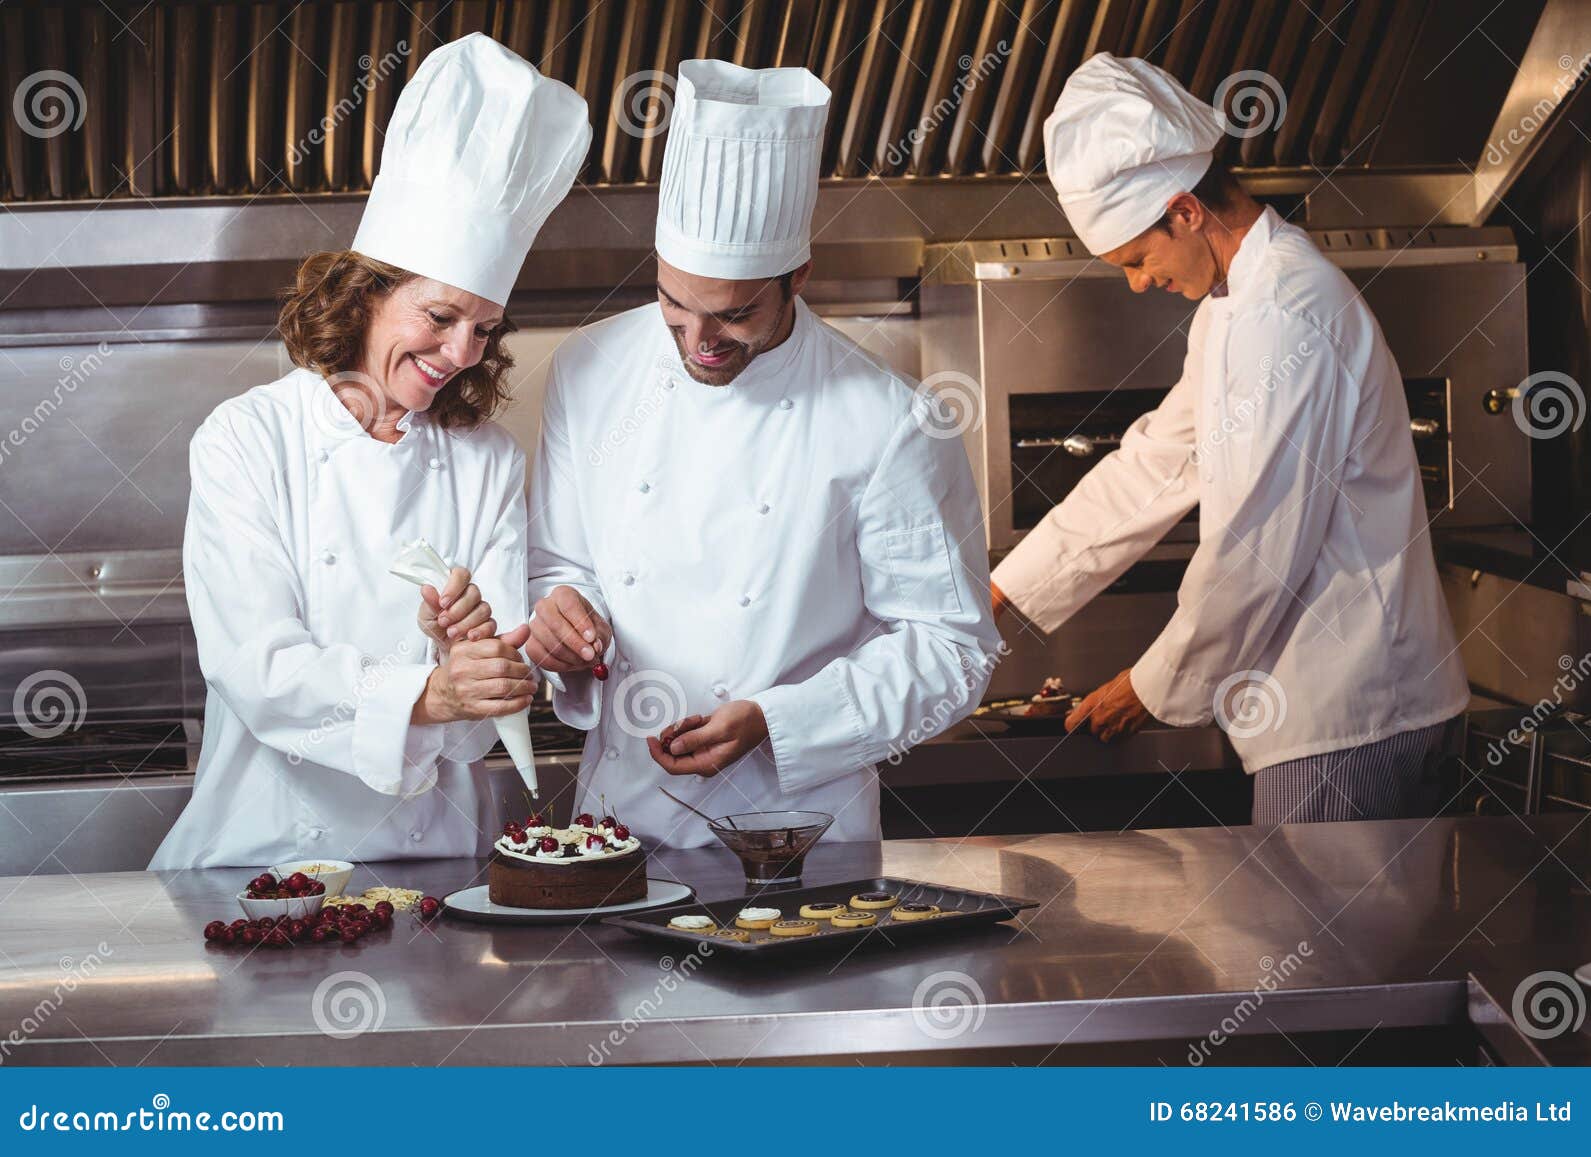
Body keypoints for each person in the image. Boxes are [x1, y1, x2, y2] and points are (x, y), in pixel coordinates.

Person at [525, 60, 999, 846]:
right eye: (673, 306)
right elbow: (560, 566)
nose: (699, 342)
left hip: (798, 839)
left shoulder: (889, 419)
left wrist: (777, 721)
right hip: (617, 832)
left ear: (798, 279)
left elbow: (955, 652)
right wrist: (562, 631)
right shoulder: (589, 369)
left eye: (733, 314)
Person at [989, 54, 1468, 824]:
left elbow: (1255, 549)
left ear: (1184, 211)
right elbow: (1155, 463)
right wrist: (1004, 589)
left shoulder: (1283, 314)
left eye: (1137, 260)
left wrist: (1149, 684)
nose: (1138, 283)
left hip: (1354, 713)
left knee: (1312, 945)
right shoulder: (1235, 305)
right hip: (1338, 711)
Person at [150, 35, 590, 868]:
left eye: (485, 328)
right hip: (264, 859)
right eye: (440, 316)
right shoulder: (249, 439)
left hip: (437, 867)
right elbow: (257, 667)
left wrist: (468, 659)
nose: (463, 351)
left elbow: (482, 713)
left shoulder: (487, 459)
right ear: (368, 290)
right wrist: (428, 688)